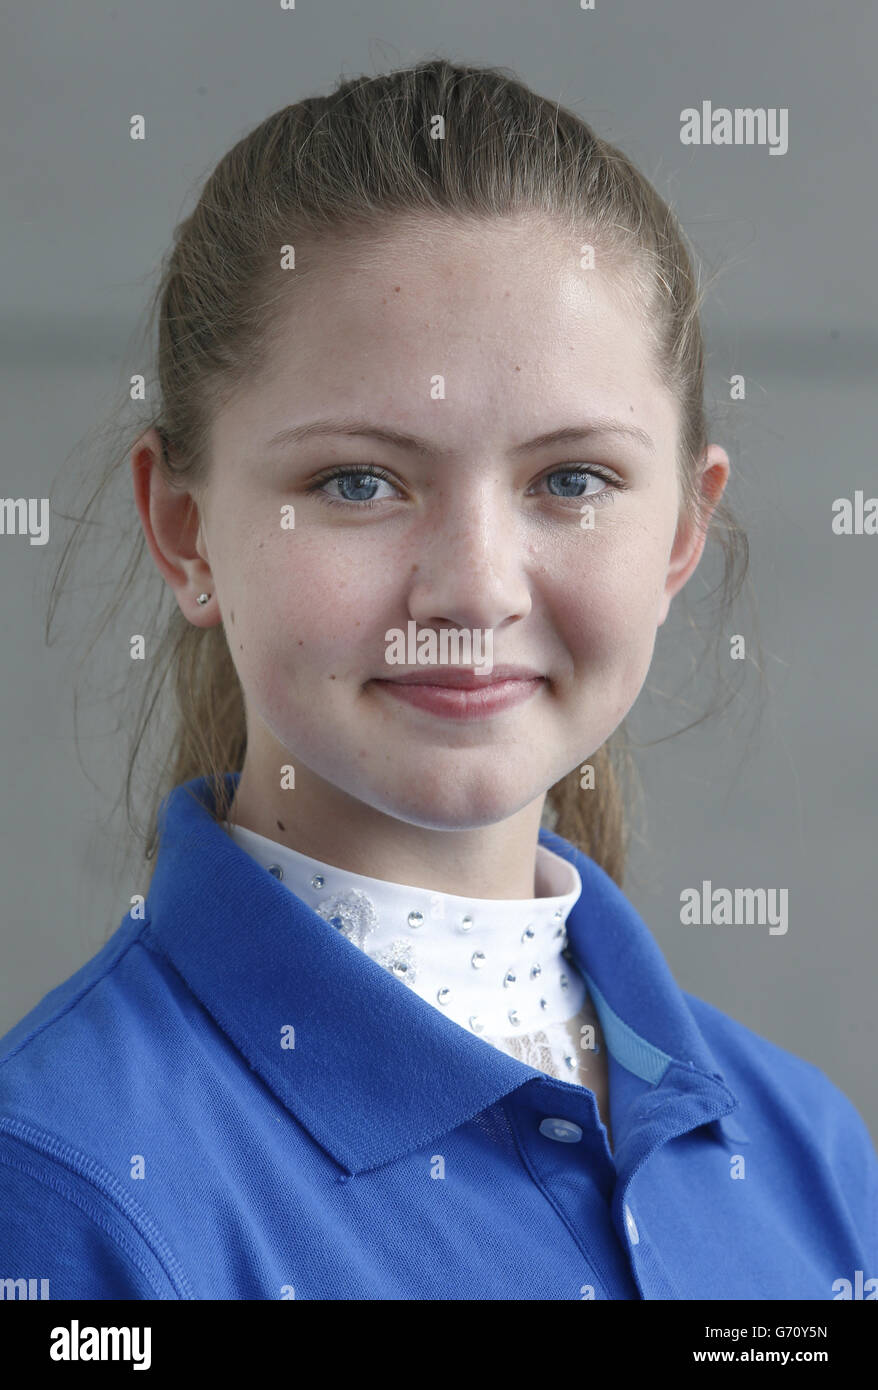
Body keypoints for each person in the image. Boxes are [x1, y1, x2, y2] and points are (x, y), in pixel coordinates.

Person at [1, 58, 875, 1301]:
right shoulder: (60, 1188)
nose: (473, 589)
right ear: (186, 531)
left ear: (682, 531)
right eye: (357, 482)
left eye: (570, 480)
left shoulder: (811, 1160)